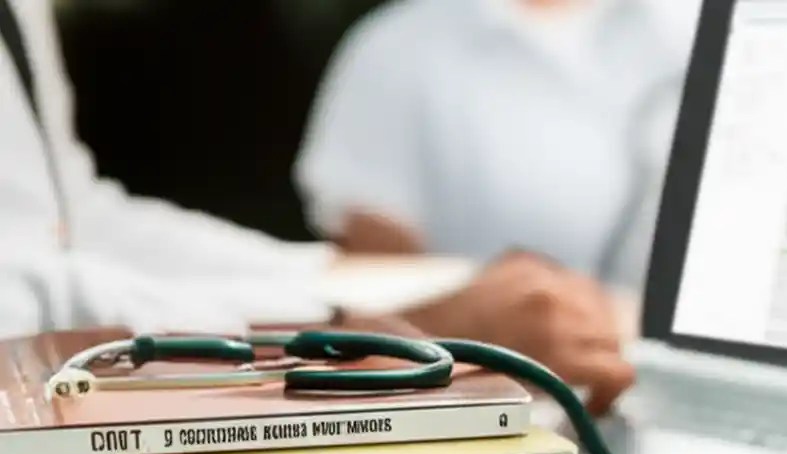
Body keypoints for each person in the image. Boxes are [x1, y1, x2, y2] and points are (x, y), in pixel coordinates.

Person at [0, 0, 631, 414]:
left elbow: (73, 221)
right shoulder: (402, 47)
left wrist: (343, 279)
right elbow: (19, 299)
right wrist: (375, 334)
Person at [294, 0, 698, 289]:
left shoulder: (697, 28)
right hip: (498, 372)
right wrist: (472, 322)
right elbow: (376, 287)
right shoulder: (398, 45)